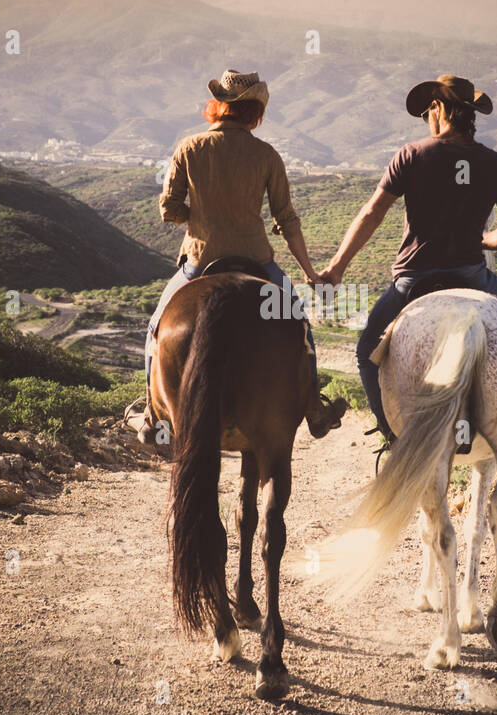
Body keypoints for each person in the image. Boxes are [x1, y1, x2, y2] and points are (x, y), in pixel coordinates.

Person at [319, 74, 497, 457]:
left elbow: (371, 214)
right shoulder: (495, 164)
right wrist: (484, 240)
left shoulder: (411, 155)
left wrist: (336, 267)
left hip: (412, 282)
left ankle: (391, 436)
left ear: (438, 110)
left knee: (366, 350)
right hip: (471, 277)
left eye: (429, 108)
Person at [129, 70, 347, 440]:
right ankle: (314, 408)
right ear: (254, 112)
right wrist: (309, 271)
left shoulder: (189, 148)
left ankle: (153, 415)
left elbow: (168, 208)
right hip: (257, 261)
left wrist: (198, 217)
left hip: (200, 261)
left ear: (217, 107)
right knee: (299, 324)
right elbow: (288, 219)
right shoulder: (267, 155)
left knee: (156, 328)